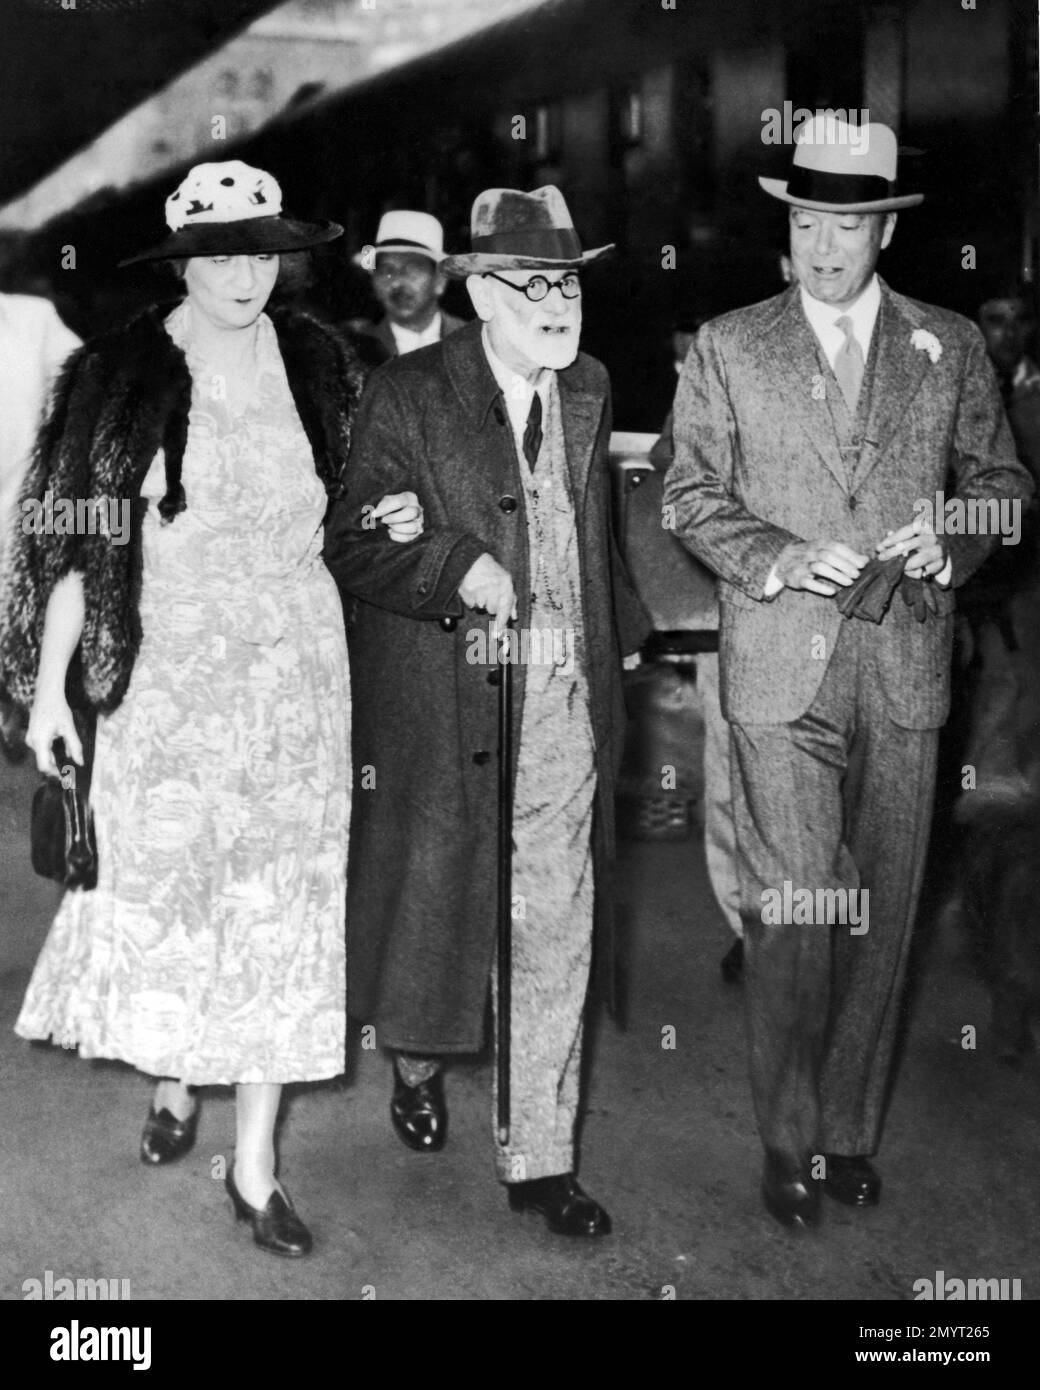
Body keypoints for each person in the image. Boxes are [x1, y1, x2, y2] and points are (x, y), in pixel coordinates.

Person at [0, 161, 423, 1258]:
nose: (242, 272)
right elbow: (78, 549)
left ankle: (256, 1162)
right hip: (172, 683)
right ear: (182, 261)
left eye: (261, 249)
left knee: (283, 912)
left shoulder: (324, 363)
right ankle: (177, 1075)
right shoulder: (123, 374)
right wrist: (52, 689)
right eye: (218, 252)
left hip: (296, 678)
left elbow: (361, 508)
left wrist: (397, 509)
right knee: (180, 896)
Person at [664, 117, 1032, 1230]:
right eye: (805, 222)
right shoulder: (729, 344)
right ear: (788, 226)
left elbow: (1003, 481)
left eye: (845, 224)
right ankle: (785, 1141)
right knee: (791, 907)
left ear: (882, 229)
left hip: (906, 663)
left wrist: (954, 537)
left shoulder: (949, 344)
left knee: (879, 904)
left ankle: (844, 1131)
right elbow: (687, 495)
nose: (823, 245)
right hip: (779, 667)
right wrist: (773, 555)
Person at [324, 185, 649, 1238]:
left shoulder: (589, 384)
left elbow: (585, 531)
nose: (556, 303)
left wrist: (619, 630)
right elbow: (354, 543)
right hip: (444, 704)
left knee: (553, 923)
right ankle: (415, 1063)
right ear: (479, 292)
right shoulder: (408, 392)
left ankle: (540, 1157)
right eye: (530, 283)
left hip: (560, 704)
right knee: (440, 912)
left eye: (568, 282)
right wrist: (454, 561)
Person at [350, 210, 465, 365]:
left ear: (439, 281)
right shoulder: (357, 347)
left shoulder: (471, 338)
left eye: (413, 270)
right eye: (387, 271)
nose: (397, 282)